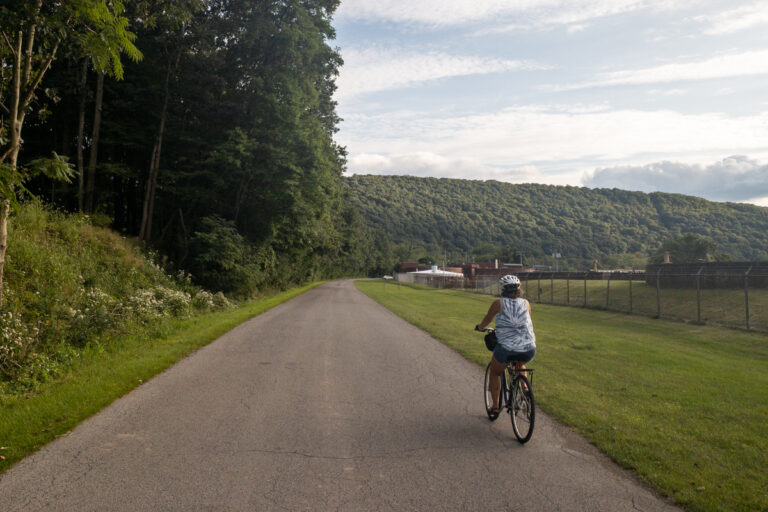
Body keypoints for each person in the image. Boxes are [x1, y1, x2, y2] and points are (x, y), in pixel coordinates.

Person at [475, 274, 536, 415]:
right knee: (520, 363)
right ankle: (525, 389)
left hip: (507, 349)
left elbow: (487, 320)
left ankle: (495, 407)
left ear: (503, 289)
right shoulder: (526, 303)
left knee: (495, 373)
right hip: (529, 347)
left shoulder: (499, 303)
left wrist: (480, 327)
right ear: (519, 289)